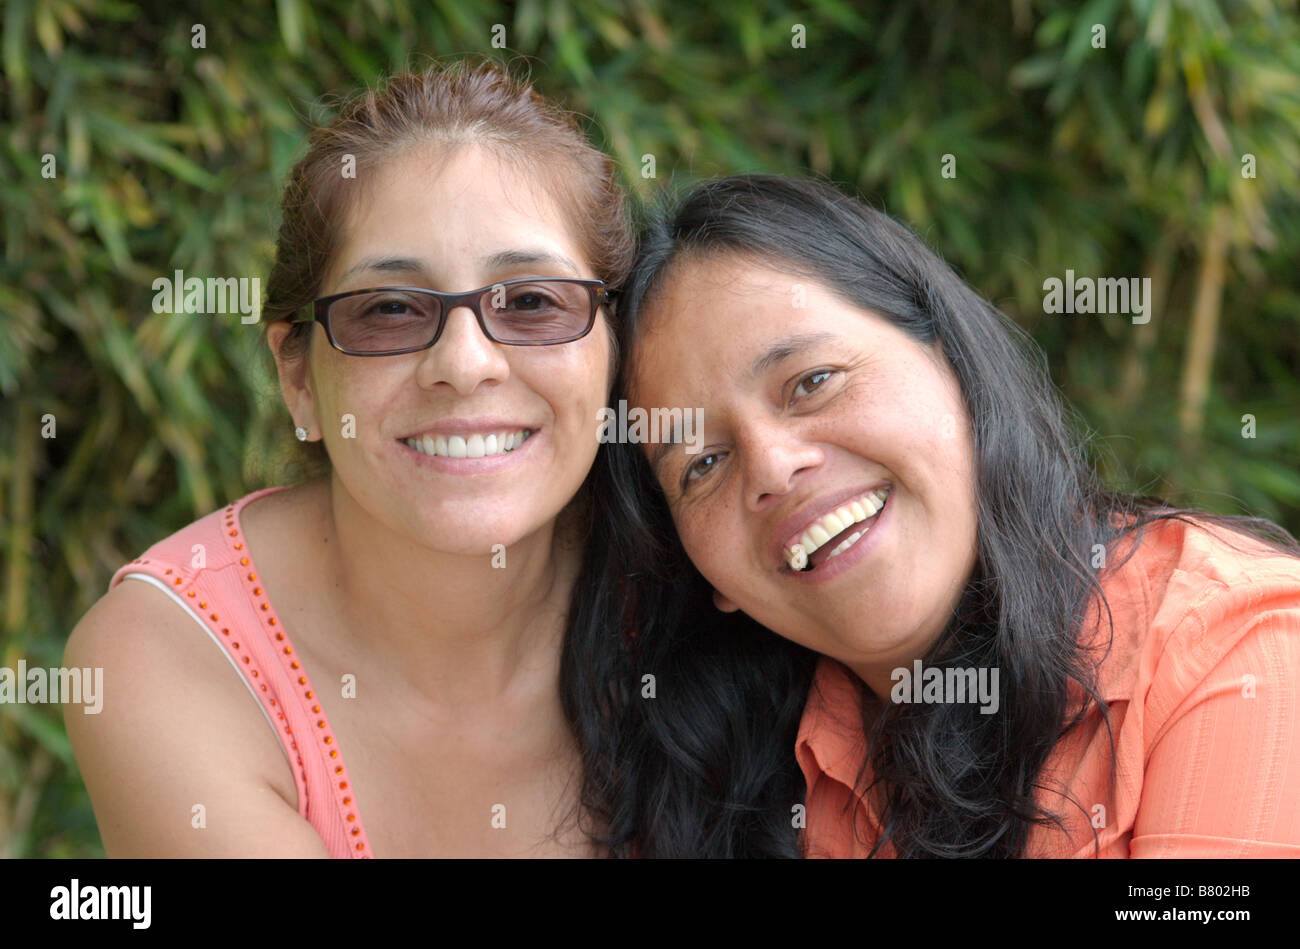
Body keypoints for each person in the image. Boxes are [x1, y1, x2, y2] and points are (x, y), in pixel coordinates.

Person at [608, 173, 1300, 857]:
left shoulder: (1239, 652)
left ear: (953, 362)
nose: (771, 466)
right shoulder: (721, 771)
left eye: (812, 382)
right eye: (701, 464)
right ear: (706, 575)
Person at [62, 59, 642, 858]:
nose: (465, 363)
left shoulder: (703, 581)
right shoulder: (172, 654)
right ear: (297, 377)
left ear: (614, 350)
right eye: (391, 310)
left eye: (534, 302)